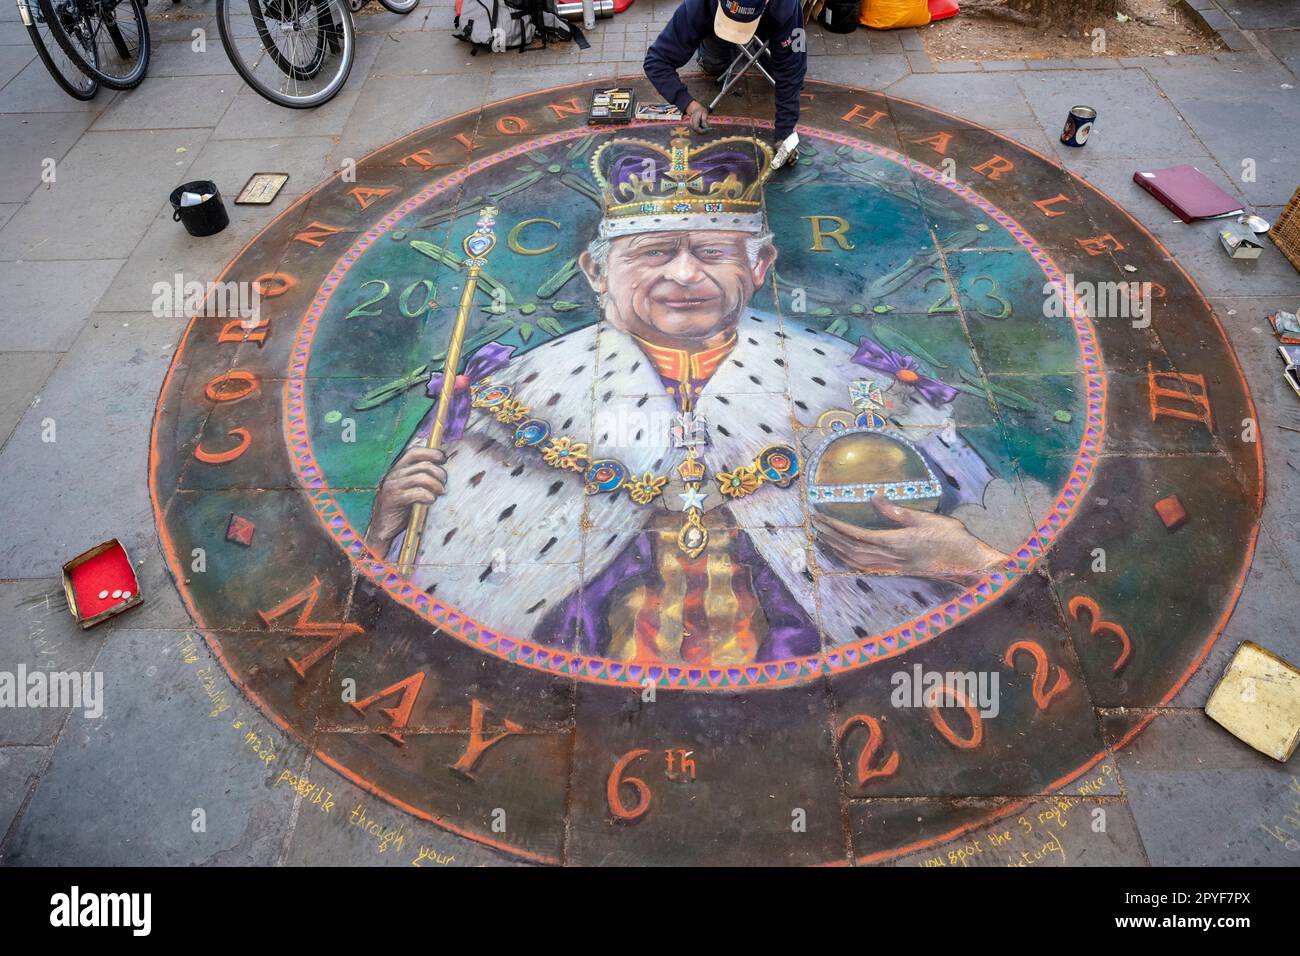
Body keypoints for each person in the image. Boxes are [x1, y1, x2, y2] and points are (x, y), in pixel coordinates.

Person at [366, 131, 1012, 666]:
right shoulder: (507, 398)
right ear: (597, 272)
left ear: (759, 268)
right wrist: (385, 528)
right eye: (652, 253)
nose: (683, 275)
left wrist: (971, 561)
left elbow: (984, 555)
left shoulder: (854, 385)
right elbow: (419, 602)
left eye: (711, 251)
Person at [643, 0, 807, 151]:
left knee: (779, 67)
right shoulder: (699, 4)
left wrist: (784, 135)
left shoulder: (785, 6)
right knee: (713, 65)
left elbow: (792, 72)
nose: (736, 32)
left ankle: (759, 48)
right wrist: (689, 105)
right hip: (715, 20)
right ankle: (726, 44)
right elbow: (656, 61)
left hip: (769, 20)